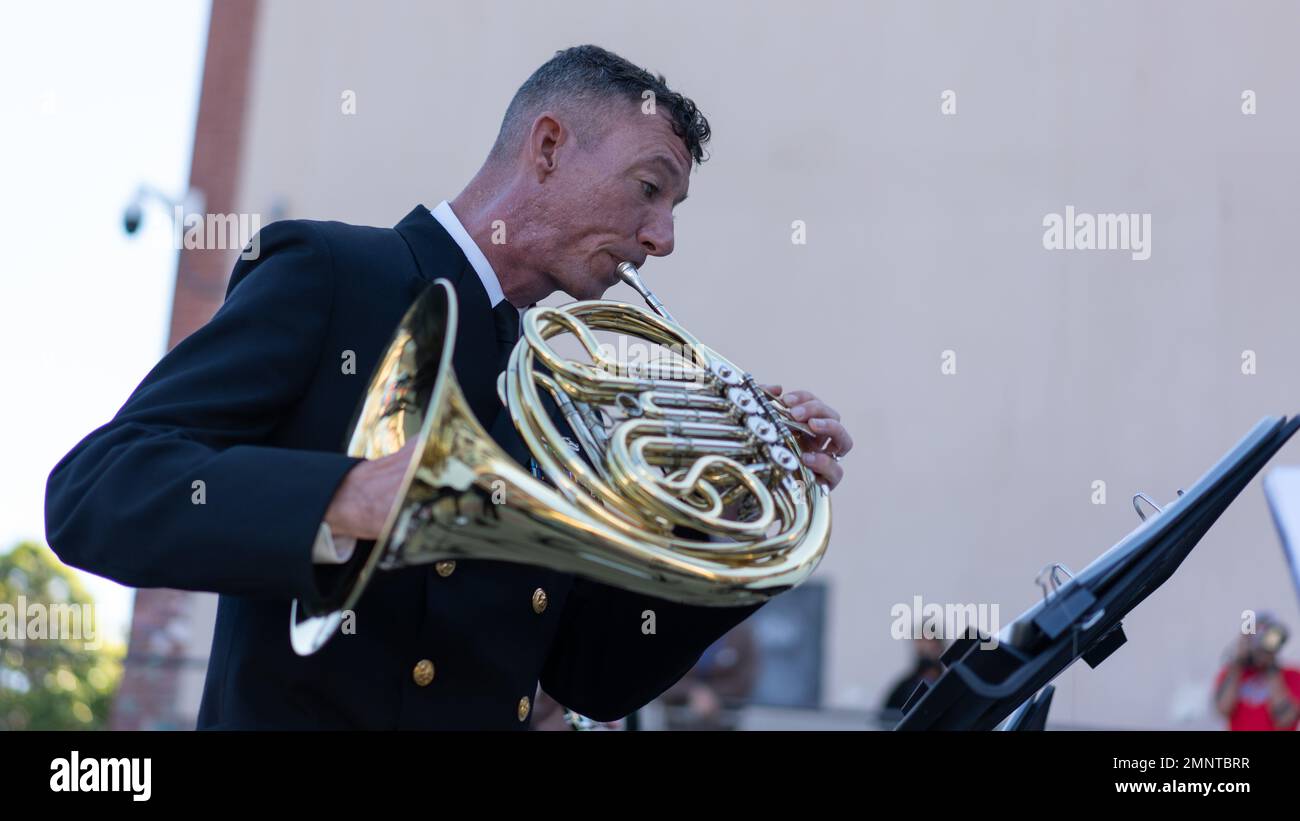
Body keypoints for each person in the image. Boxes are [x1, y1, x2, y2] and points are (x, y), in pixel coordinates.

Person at [44, 45, 853, 729]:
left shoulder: (567, 396)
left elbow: (592, 675)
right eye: (650, 188)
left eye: (674, 208)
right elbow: (96, 490)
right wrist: (346, 496)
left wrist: (743, 529)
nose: (663, 239)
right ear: (547, 148)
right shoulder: (336, 276)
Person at [1213, 612, 1300, 731]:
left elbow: (1285, 719)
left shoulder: (1292, 675)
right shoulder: (1232, 673)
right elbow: (1223, 709)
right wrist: (1239, 661)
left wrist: (1270, 668)